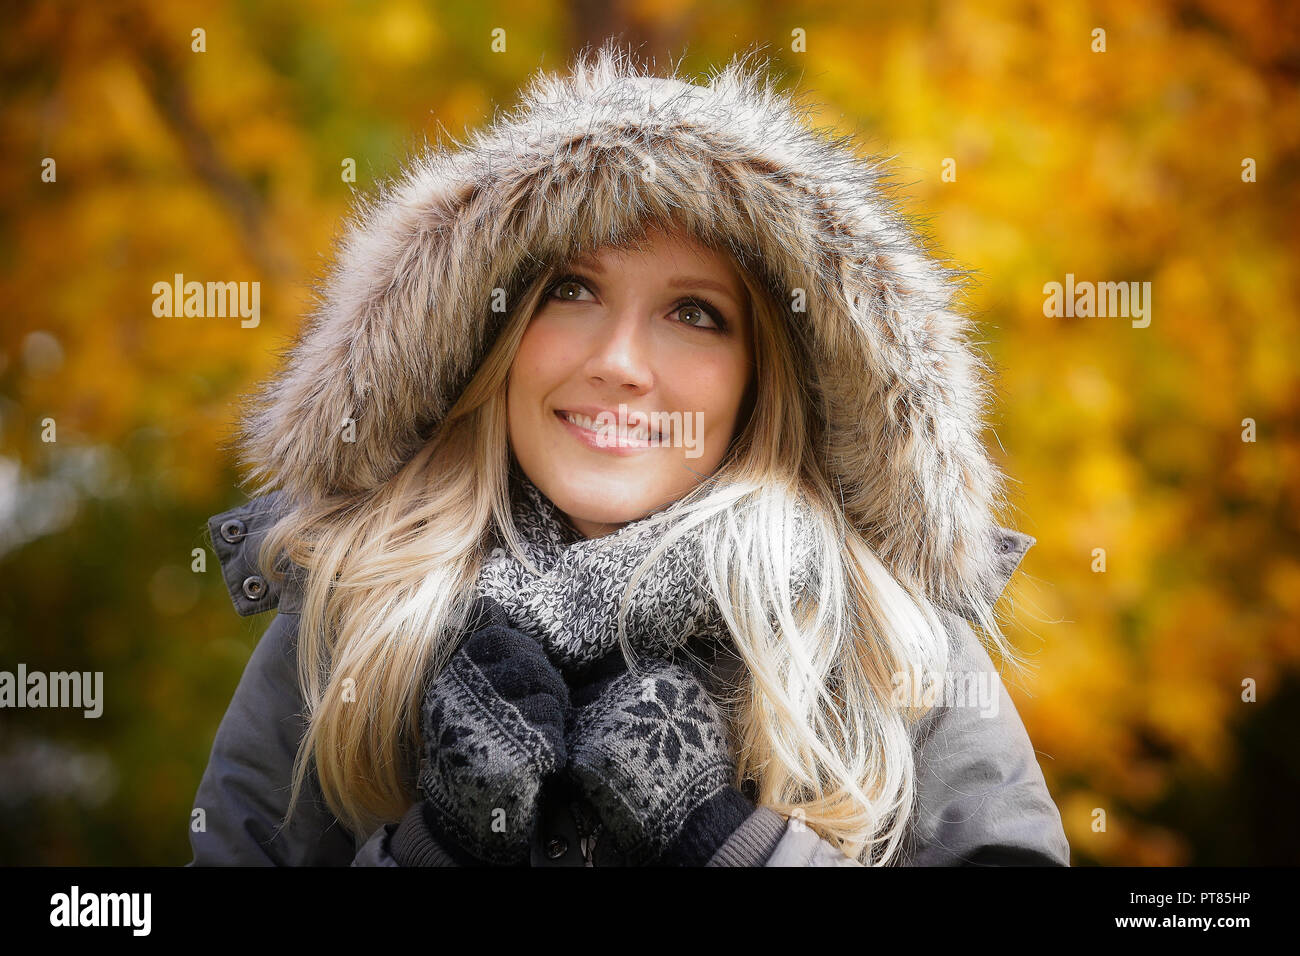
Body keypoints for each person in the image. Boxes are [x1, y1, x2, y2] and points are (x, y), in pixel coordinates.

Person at [188, 41, 1070, 867]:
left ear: (761, 380)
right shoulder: (349, 617)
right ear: (491, 333)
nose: (617, 362)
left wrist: (735, 844)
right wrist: (437, 847)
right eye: (572, 290)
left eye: (695, 314)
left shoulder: (891, 637)